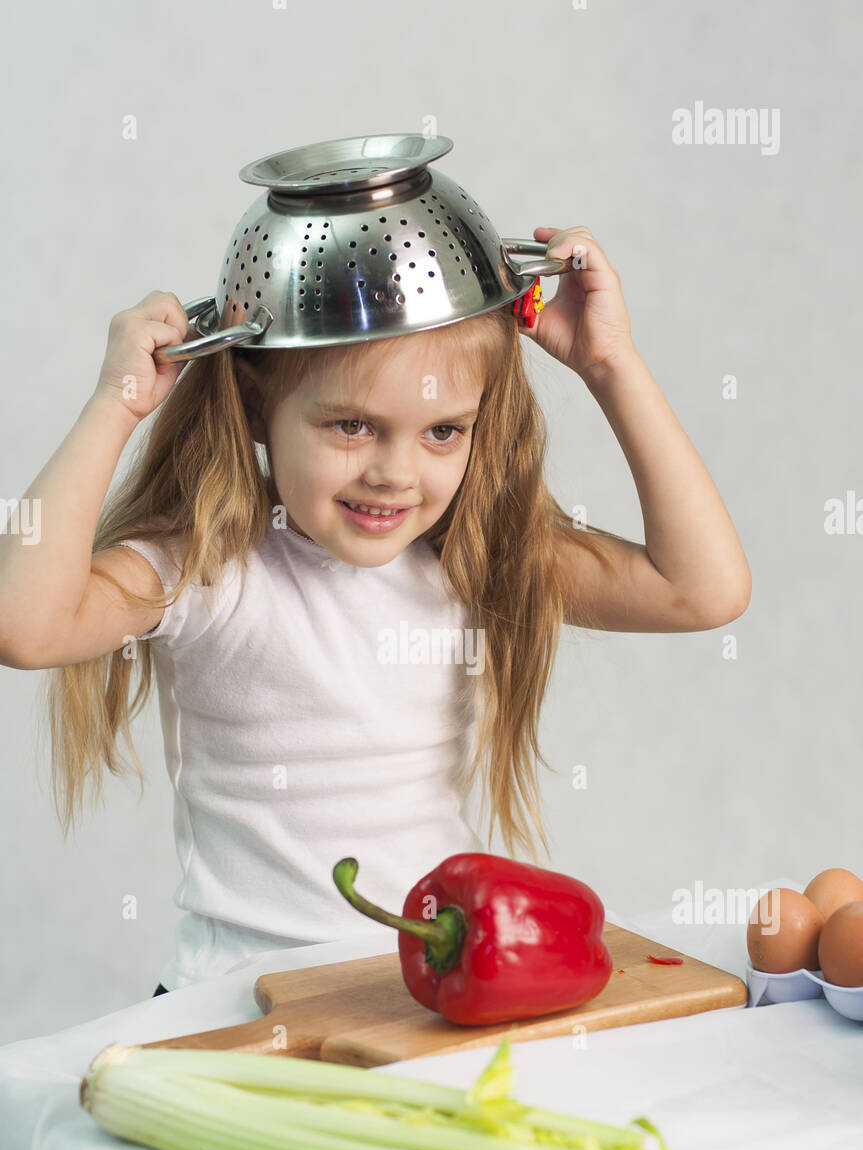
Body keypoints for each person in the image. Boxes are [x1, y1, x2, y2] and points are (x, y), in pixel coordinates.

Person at [0, 224, 751, 994]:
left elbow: (699, 589)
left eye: (442, 431)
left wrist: (609, 365)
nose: (395, 473)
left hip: (425, 986)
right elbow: (26, 624)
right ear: (258, 407)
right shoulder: (207, 569)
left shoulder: (466, 556)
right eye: (351, 425)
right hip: (234, 998)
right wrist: (113, 405)